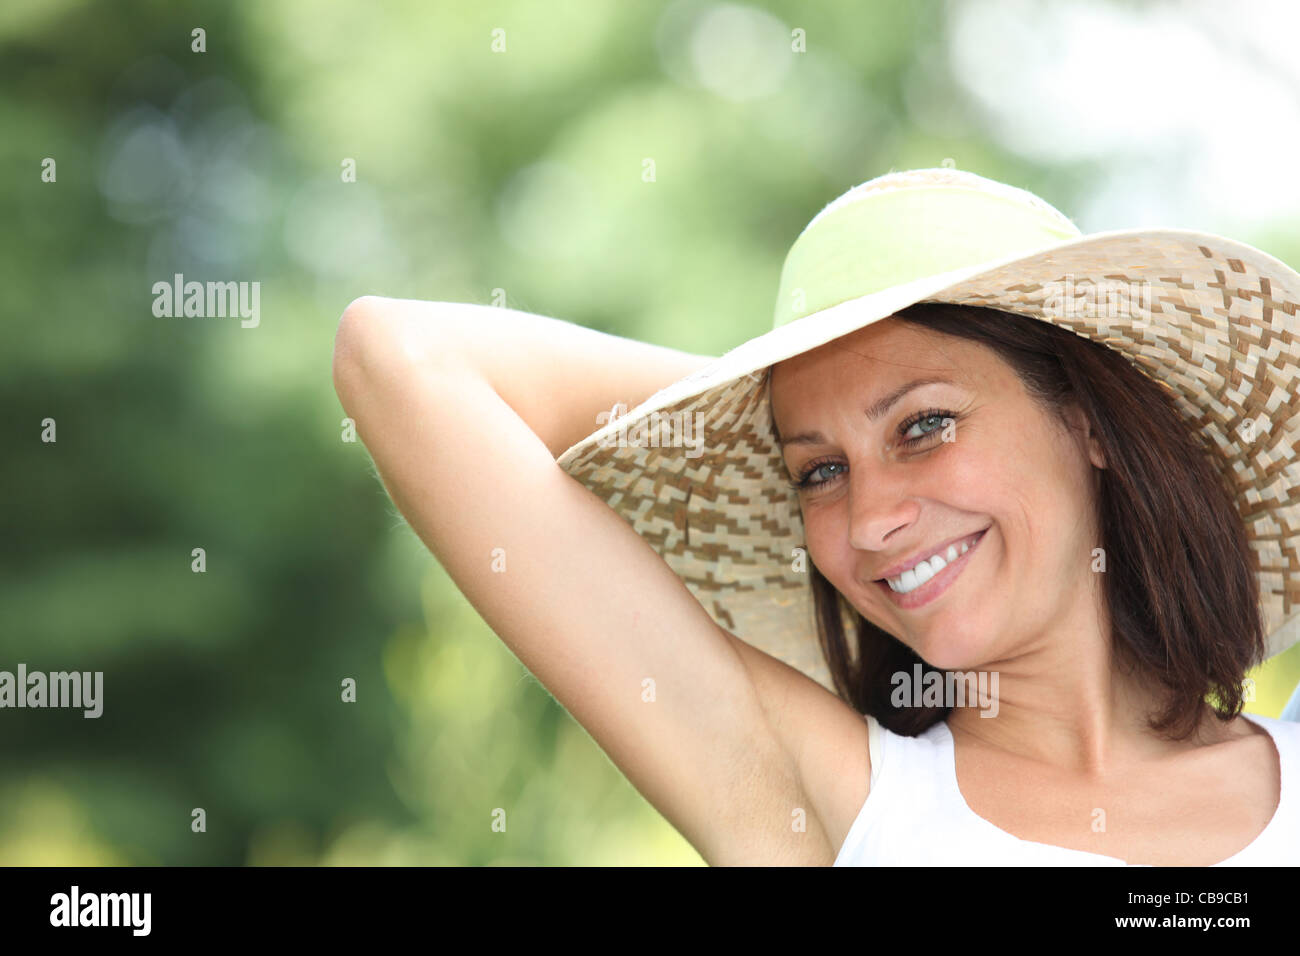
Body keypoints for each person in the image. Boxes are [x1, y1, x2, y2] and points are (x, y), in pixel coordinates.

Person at [332, 168, 1300, 865]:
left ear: (1087, 419)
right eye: (820, 473)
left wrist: (825, 396)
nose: (871, 519)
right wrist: (756, 411)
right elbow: (399, 356)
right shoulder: (823, 800)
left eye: (925, 424)